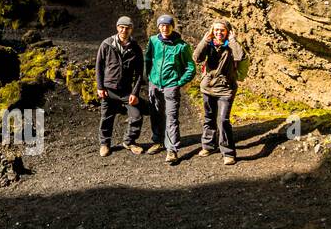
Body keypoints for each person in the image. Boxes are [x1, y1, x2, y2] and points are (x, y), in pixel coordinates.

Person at [145, 14, 196, 163]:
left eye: (167, 25)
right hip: (155, 84)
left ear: (172, 27)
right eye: (162, 25)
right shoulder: (153, 41)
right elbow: (148, 59)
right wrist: (150, 77)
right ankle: (158, 141)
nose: (164, 28)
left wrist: (179, 82)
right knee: (155, 114)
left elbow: (191, 68)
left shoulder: (182, 46)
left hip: (171, 85)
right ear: (158, 27)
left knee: (171, 118)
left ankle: (172, 150)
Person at [95, 16, 146, 156]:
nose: (124, 30)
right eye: (122, 27)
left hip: (127, 91)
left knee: (136, 116)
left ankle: (129, 141)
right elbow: (99, 67)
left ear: (131, 30)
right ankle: (105, 144)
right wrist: (100, 87)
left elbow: (139, 73)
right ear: (117, 28)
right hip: (108, 89)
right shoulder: (106, 44)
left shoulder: (135, 48)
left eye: (127, 28)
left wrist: (135, 93)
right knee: (106, 117)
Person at [194, 20, 242, 165]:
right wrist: (204, 40)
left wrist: (232, 39)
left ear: (228, 32)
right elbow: (197, 58)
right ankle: (208, 145)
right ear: (212, 31)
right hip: (208, 87)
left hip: (226, 89)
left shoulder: (232, 46)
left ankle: (228, 152)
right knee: (209, 117)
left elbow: (239, 56)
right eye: (216, 30)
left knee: (223, 120)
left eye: (222, 30)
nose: (219, 33)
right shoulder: (208, 44)